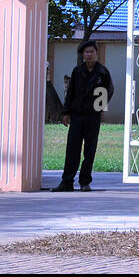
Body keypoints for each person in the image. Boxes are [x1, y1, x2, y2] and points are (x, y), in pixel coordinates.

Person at [50, 42, 114, 192]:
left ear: (96, 53)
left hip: (93, 117)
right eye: (86, 52)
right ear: (83, 55)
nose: (89, 55)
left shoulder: (102, 72)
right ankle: (67, 182)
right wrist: (66, 113)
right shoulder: (77, 72)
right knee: (72, 149)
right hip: (77, 116)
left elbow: (109, 90)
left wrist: (99, 108)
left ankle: (85, 182)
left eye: (91, 52)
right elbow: (70, 93)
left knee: (90, 150)